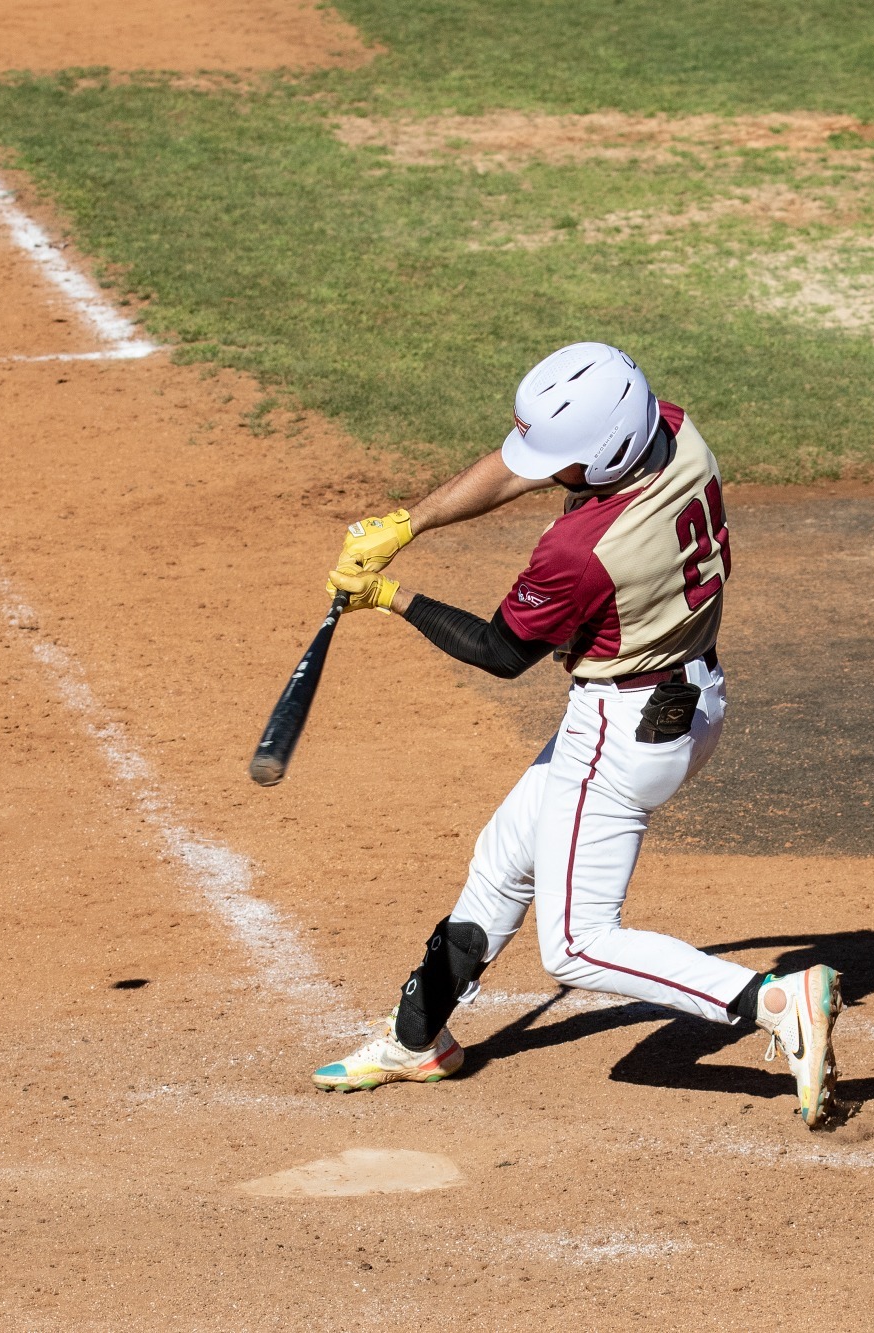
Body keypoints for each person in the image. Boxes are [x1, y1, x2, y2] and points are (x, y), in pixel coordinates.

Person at [310, 342, 842, 1128]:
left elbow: (499, 653)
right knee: (505, 858)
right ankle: (417, 1039)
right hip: (690, 693)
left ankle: (769, 1000)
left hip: (619, 727)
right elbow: (531, 459)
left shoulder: (581, 551)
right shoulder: (674, 432)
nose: (541, 473)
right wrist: (407, 521)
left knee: (576, 944)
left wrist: (390, 595)